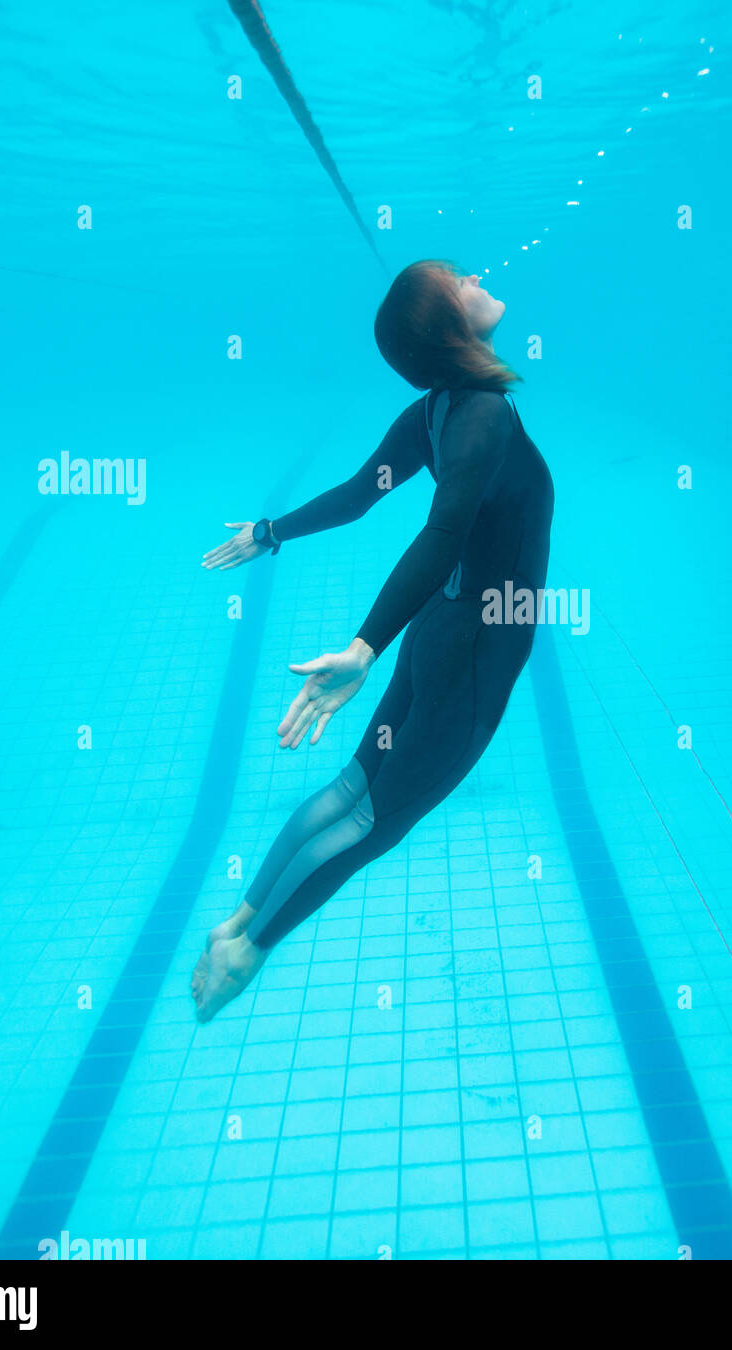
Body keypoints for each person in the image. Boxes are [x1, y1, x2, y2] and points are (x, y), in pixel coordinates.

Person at [191, 260, 554, 1022]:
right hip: (474, 657)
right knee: (375, 822)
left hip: (439, 634)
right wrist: (364, 646)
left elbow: (360, 497)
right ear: (453, 327)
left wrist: (271, 532)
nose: (476, 275)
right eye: (459, 279)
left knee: (352, 790)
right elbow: (445, 530)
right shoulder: (482, 415)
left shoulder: (439, 412)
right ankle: (248, 953)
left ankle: (241, 918)